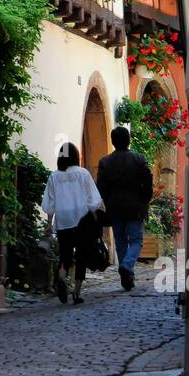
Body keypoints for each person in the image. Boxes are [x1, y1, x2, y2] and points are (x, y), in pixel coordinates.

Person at [41, 142, 104, 306]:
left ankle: (62, 277)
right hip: (81, 219)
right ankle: (76, 293)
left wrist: (49, 223)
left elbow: (50, 204)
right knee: (82, 255)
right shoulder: (83, 174)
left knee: (65, 254)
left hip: (63, 220)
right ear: (76, 156)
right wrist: (94, 214)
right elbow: (93, 200)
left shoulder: (54, 177)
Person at [96, 126, 153, 292]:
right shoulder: (138, 158)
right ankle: (127, 267)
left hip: (114, 207)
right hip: (135, 206)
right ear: (128, 140)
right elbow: (147, 180)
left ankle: (126, 275)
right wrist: (145, 198)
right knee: (136, 240)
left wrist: (107, 201)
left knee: (121, 242)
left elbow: (100, 187)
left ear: (113, 142)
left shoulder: (105, 162)